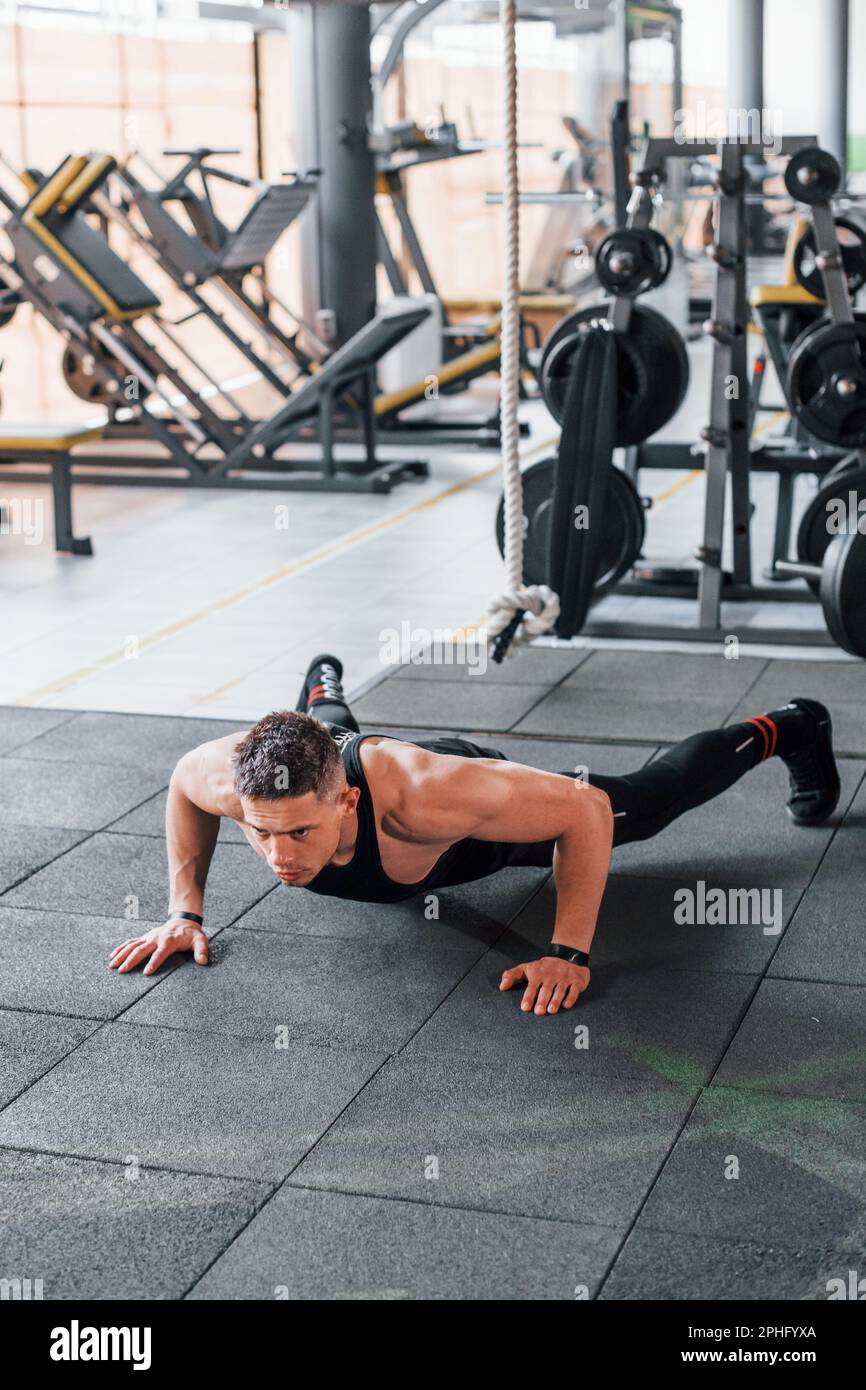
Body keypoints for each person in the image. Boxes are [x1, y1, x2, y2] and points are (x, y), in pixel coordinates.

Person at [109, 654, 840, 1017]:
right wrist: (185, 913)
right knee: (329, 734)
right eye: (263, 834)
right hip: (333, 757)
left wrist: (568, 953)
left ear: (349, 803)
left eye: (298, 833)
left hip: (466, 830)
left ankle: (792, 724)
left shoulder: (431, 797)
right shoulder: (237, 780)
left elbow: (581, 812)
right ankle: (323, 685)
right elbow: (182, 779)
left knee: (636, 809)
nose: (278, 857)